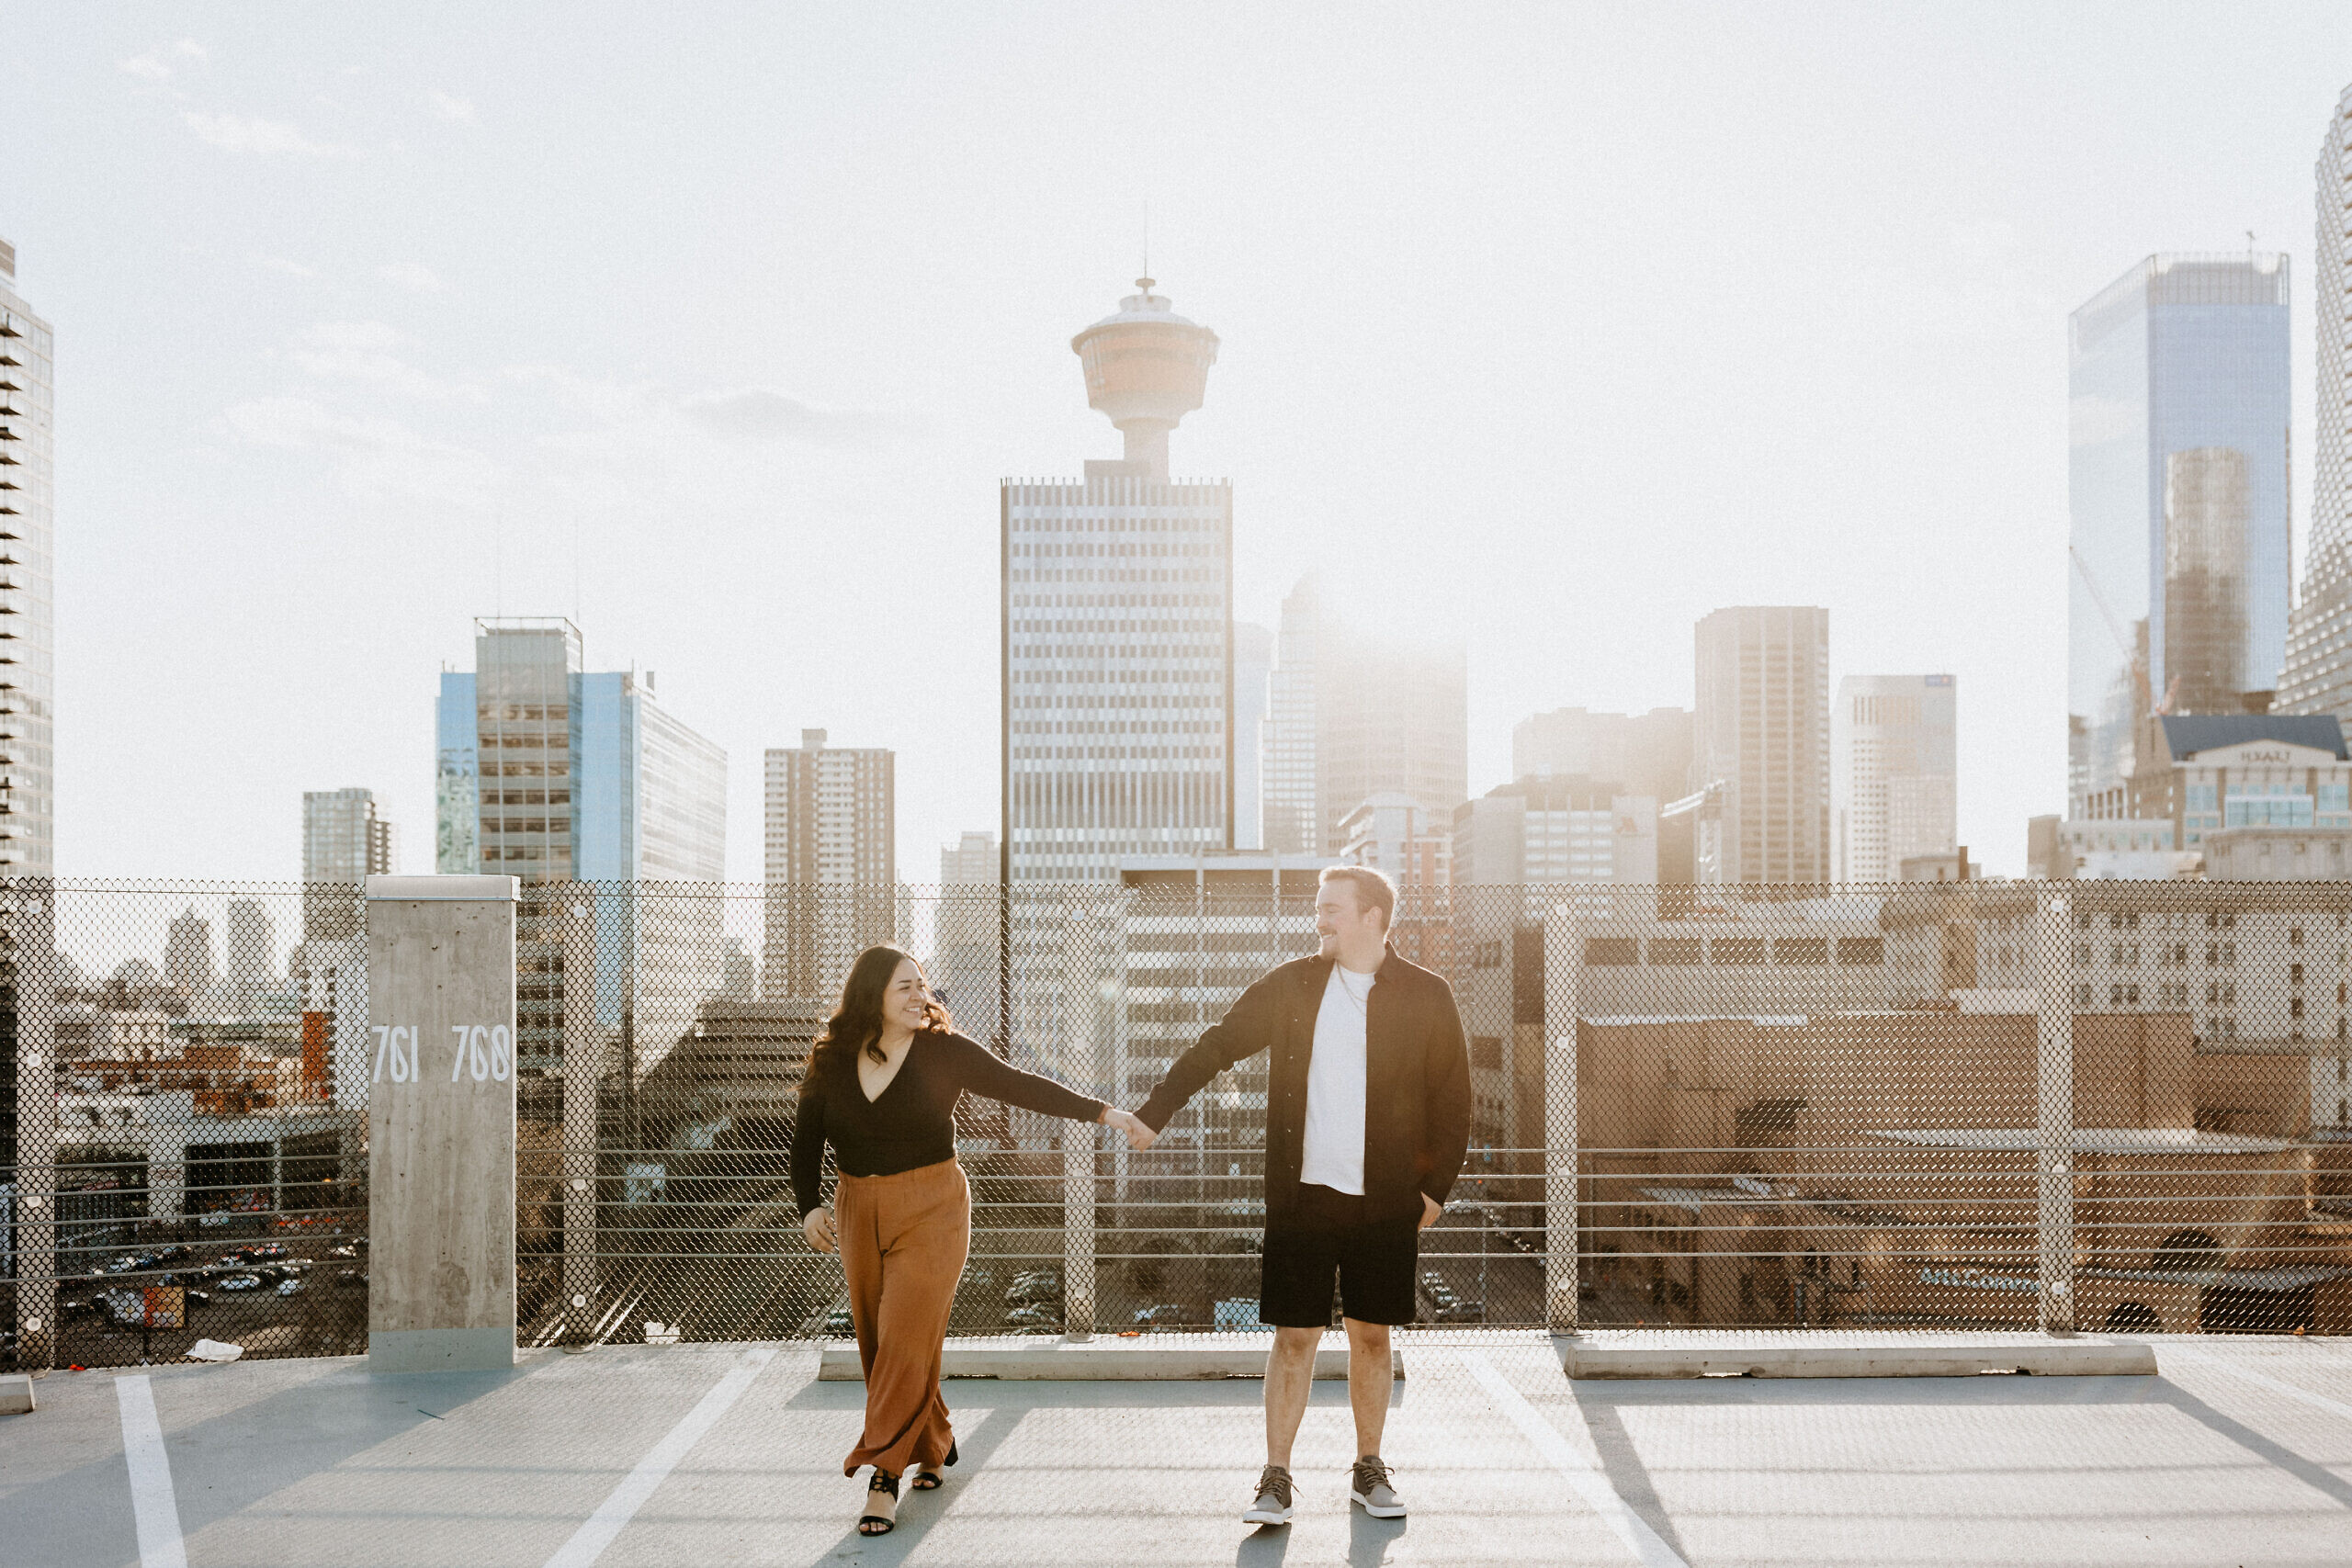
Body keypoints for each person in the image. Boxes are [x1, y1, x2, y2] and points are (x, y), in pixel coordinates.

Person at [1125, 864, 1470, 1526]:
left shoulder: (1428, 995)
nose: (1320, 919)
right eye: (1320, 907)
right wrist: (1157, 1109)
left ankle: (1369, 1468)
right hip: (1303, 1195)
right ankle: (1276, 1476)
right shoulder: (1292, 984)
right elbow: (1219, 1044)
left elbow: (1453, 1101)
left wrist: (1435, 1191)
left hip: (1386, 1200)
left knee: (1372, 1335)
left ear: (1371, 916)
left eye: (1332, 908)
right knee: (1294, 1335)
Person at [793, 943, 1152, 1536]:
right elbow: (806, 1141)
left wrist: (1107, 1115)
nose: (920, 995)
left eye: (922, 984)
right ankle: (932, 1443)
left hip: (933, 1206)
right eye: (905, 986)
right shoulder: (831, 1060)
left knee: (906, 1331)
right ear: (872, 995)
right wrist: (810, 1206)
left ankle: (883, 1476)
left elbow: (1021, 1086)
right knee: (883, 1343)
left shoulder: (943, 1051)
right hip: (858, 1206)